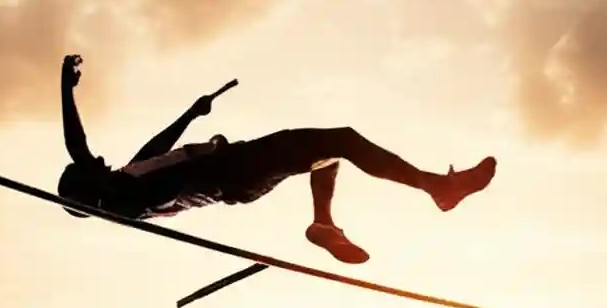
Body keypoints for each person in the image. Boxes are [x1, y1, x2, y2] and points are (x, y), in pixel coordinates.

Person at [57, 55, 496, 265]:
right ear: (90, 193)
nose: (96, 158)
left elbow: (155, 149)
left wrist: (192, 114)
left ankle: (323, 222)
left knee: (328, 154)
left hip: (234, 172)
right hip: (234, 172)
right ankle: (437, 187)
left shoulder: (126, 182)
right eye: (88, 167)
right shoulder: (119, 201)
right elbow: (77, 145)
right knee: (340, 139)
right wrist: (65, 87)